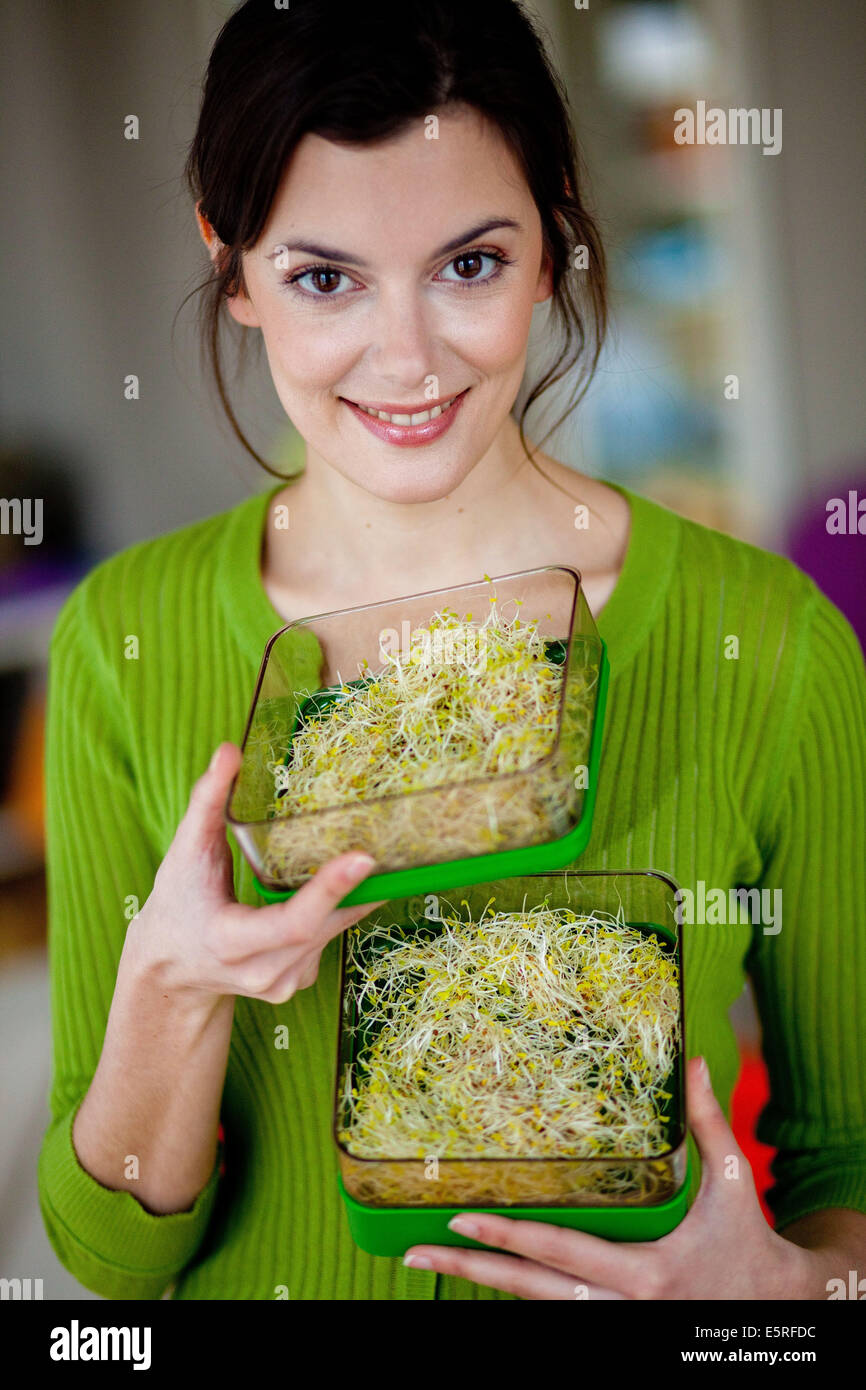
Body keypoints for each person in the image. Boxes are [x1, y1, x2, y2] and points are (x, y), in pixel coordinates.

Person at [39, 0, 866, 1300]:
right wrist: (173, 985)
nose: (408, 357)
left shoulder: (768, 642)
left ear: (553, 239)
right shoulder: (117, 641)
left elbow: (846, 1165)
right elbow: (109, 1264)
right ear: (231, 260)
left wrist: (781, 1299)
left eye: (469, 264)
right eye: (325, 278)